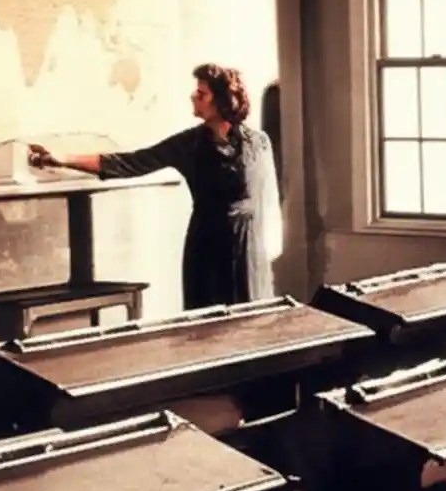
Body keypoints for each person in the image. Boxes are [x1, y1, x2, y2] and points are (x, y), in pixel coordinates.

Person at [28, 63, 283, 309]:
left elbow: (269, 197)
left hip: (249, 252)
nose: (193, 96)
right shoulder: (189, 145)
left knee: (252, 325)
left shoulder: (259, 143)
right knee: (208, 328)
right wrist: (61, 159)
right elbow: (129, 163)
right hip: (208, 252)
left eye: (201, 94)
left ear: (221, 101)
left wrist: (270, 245)